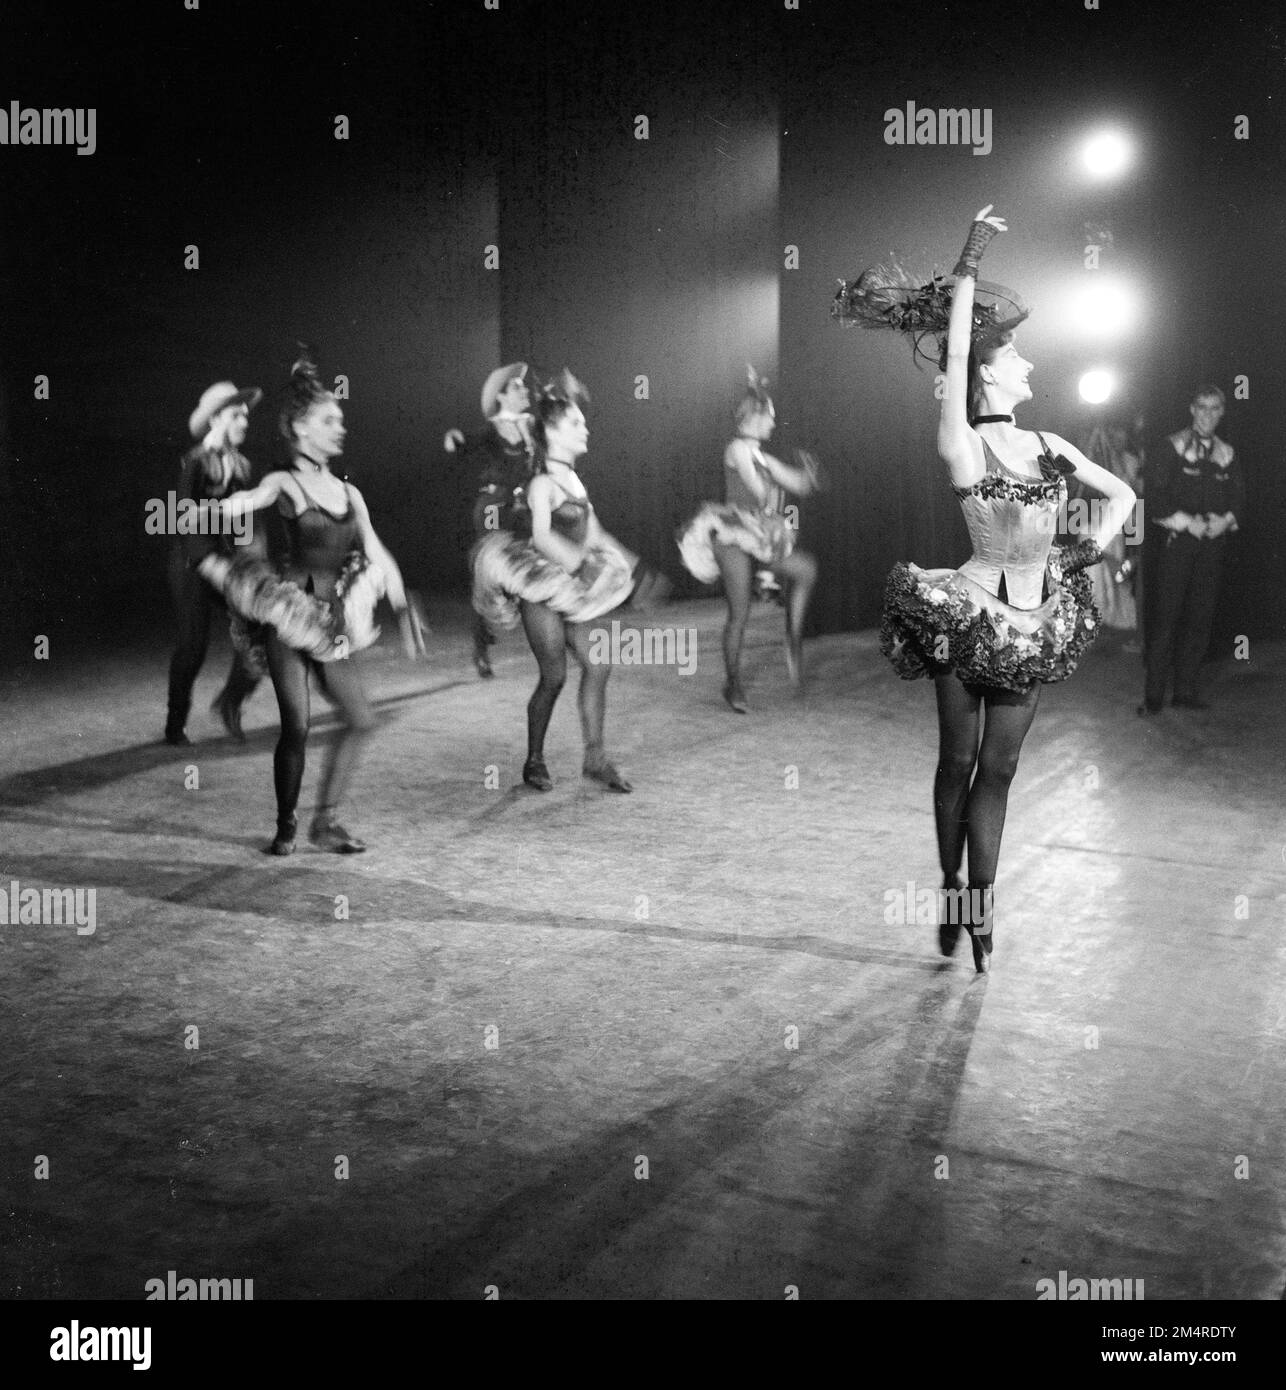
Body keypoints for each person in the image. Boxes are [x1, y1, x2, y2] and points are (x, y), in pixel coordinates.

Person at [834, 206, 1136, 972]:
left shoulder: (1051, 446)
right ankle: (950, 888)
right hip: (969, 616)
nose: (1030, 364)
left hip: (1034, 622)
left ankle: (982, 905)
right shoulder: (962, 444)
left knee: (998, 774)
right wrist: (970, 252)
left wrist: (1087, 550)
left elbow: (1125, 497)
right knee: (956, 766)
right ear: (988, 371)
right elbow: (959, 342)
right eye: (1018, 356)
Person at [205, 353, 425, 855]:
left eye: (341, 420)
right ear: (301, 429)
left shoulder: (351, 493)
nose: (340, 428)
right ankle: (285, 826)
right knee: (297, 728)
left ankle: (325, 822)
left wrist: (400, 600)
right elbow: (251, 500)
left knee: (361, 720)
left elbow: (375, 550)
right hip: (289, 614)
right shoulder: (285, 482)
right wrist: (212, 508)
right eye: (330, 420)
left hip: (334, 621)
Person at [471, 371, 637, 792]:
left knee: (599, 665)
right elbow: (543, 536)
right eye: (576, 424)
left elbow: (594, 532)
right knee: (555, 675)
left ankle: (595, 759)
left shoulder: (575, 481)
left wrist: (635, 568)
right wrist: (580, 565)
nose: (586, 429)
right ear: (551, 433)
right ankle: (534, 759)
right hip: (544, 588)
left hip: (574, 591)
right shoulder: (542, 482)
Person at [676, 368, 820, 711]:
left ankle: (793, 635)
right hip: (733, 530)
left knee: (806, 570)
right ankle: (733, 683)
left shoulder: (761, 454)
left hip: (759, 529)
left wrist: (808, 478)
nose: (774, 423)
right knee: (739, 611)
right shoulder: (738, 449)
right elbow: (758, 489)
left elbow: (797, 484)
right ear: (755, 416)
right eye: (770, 417)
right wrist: (776, 493)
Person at [164, 381, 266, 745]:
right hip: (191, 564)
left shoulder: (241, 465)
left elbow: (242, 523)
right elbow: (184, 519)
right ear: (216, 419)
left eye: (245, 415)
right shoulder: (195, 461)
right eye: (237, 415)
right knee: (193, 646)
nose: (244, 422)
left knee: (260, 629)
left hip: (224, 561)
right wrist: (207, 562)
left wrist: (250, 564)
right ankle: (175, 725)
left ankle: (231, 703)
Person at [1139, 385, 1243, 713]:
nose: (1208, 414)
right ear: (1192, 409)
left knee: (1200, 620)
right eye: (1202, 407)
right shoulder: (1172, 446)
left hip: (1212, 547)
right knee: (1166, 620)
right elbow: (1154, 498)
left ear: (1222, 412)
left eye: (1215, 408)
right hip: (1177, 545)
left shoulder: (1227, 452)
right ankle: (1154, 697)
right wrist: (1188, 522)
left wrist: (1225, 521)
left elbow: (1240, 499)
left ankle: (1184, 693)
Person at [444, 363, 535, 677]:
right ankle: (480, 647)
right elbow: (467, 442)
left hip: (524, 505)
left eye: (524, 386)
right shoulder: (492, 428)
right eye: (518, 387)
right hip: (494, 506)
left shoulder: (530, 426)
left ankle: (552, 637)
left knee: (535, 567)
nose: (525, 391)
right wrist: (456, 439)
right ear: (502, 396)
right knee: (489, 573)